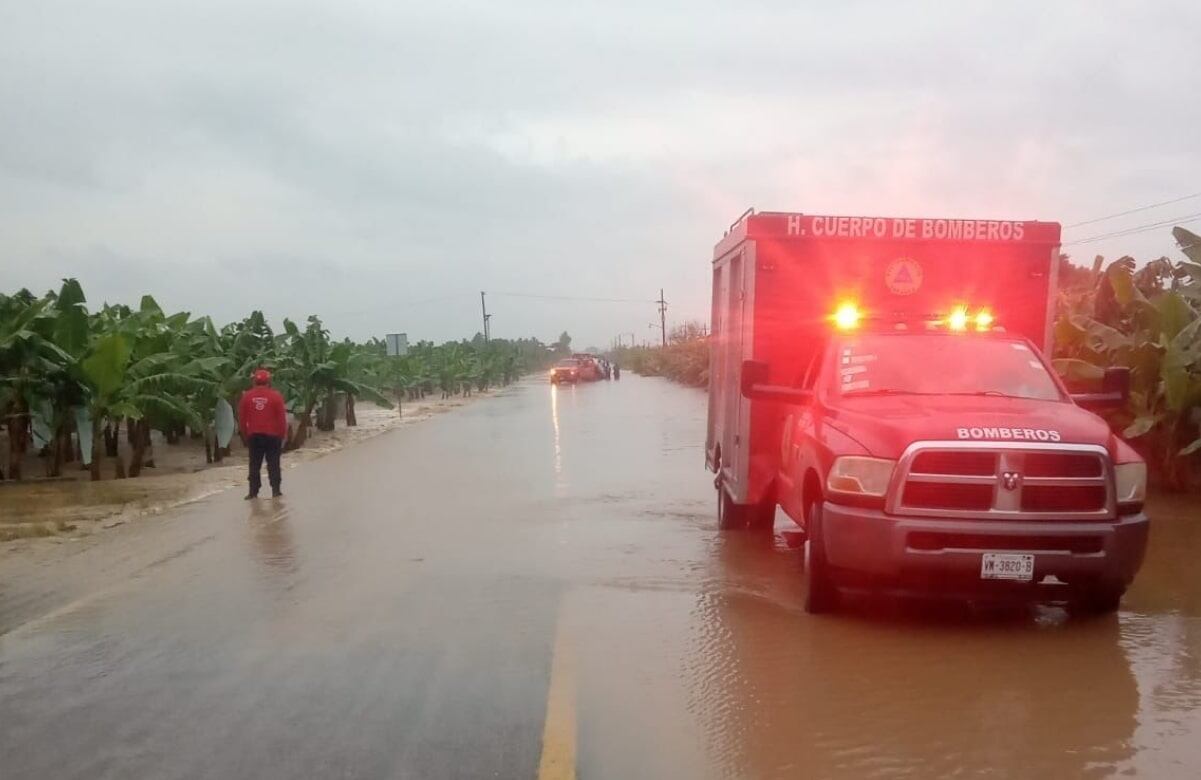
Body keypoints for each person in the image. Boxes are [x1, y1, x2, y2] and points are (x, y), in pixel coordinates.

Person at [238, 369, 288, 499]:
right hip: (273, 436)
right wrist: (283, 435)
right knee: (273, 463)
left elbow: (242, 419)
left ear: (254, 381)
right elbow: (282, 419)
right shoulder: (276, 396)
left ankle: (253, 492)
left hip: (254, 435)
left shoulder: (246, 396)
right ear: (269, 381)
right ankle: (276, 491)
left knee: (254, 464)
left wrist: (244, 435)